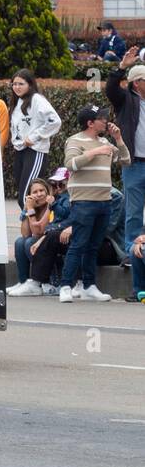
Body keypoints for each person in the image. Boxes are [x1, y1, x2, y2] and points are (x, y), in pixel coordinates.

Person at [57, 104, 126, 303]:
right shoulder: (74, 140)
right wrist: (95, 152)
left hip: (104, 201)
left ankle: (89, 285)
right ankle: (66, 286)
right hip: (83, 201)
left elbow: (126, 159)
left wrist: (119, 139)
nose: (106, 121)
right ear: (90, 123)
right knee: (78, 244)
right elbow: (71, 164)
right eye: (101, 118)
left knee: (93, 246)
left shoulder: (105, 141)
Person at [105, 48, 145, 255]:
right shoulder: (126, 100)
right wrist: (121, 68)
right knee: (134, 212)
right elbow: (111, 89)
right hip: (134, 165)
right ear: (136, 83)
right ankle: (131, 250)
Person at [9, 68, 61, 209]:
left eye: (21, 84)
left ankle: (37, 229)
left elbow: (54, 121)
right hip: (21, 151)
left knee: (27, 197)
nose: (17, 87)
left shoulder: (37, 99)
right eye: (14, 84)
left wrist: (35, 137)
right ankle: (34, 230)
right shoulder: (17, 102)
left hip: (35, 151)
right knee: (25, 197)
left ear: (30, 85)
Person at [9, 178, 55, 296]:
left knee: (30, 242)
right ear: (30, 195)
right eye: (35, 192)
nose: (39, 194)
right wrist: (26, 209)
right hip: (39, 244)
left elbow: (38, 231)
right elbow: (25, 233)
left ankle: (43, 280)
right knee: (20, 242)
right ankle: (24, 282)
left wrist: (30, 210)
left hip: (51, 248)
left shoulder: (51, 206)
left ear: (47, 192)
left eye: (42, 190)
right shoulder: (33, 207)